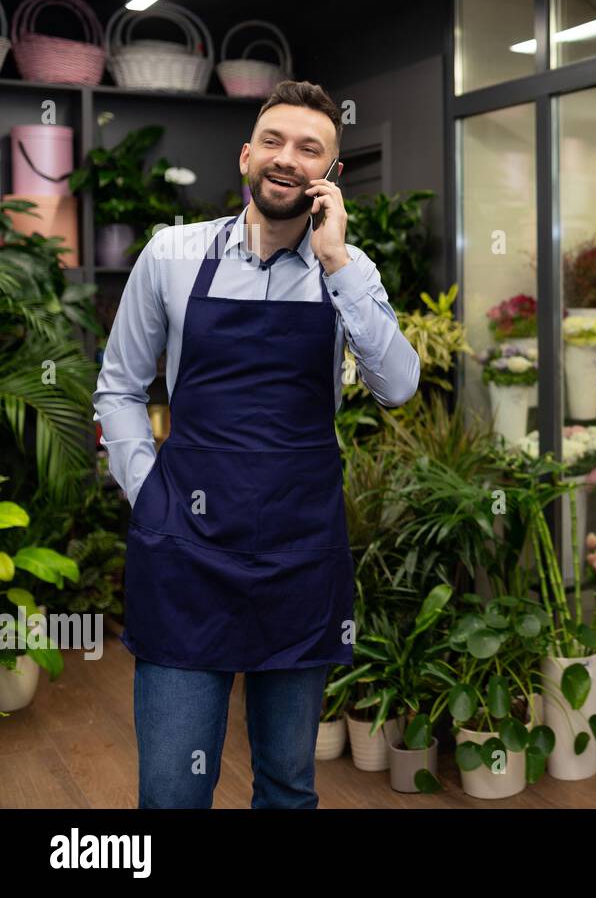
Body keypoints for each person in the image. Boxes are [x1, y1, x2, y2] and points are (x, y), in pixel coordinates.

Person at [92, 80, 420, 808]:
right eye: (273, 141)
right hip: (186, 554)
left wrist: (336, 264)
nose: (287, 158)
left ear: (329, 178)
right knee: (175, 791)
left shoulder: (349, 273)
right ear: (246, 155)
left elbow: (397, 384)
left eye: (310, 149)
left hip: (300, 555)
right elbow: (118, 389)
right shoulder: (173, 255)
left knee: (286, 786)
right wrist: (149, 495)